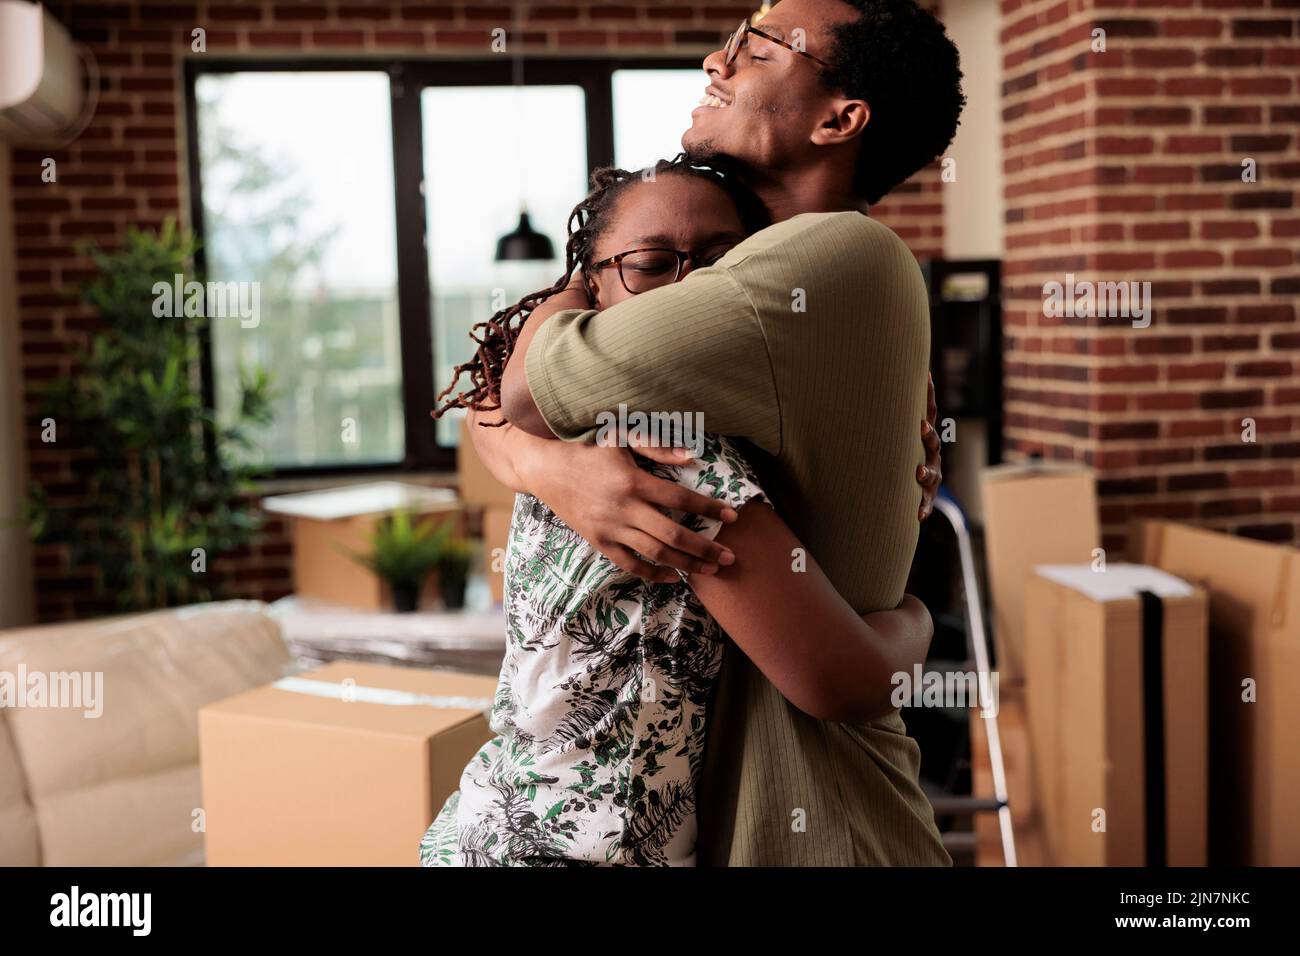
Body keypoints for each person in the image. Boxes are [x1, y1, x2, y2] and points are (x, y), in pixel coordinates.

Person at [491, 0, 966, 866]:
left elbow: (522, 384)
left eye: (756, 46)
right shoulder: (779, 276)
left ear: (841, 117)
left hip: (827, 822)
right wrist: (552, 470)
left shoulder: (831, 260)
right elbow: (499, 405)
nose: (717, 59)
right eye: (649, 264)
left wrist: (913, 626)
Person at [420, 157, 936, 866]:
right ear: (592, 288)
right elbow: (837, 681)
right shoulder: (670, 445)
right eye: (653, 264)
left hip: (490, 826)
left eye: (720, 264)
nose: (688, 289)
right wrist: (916, 614)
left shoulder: (562, 427)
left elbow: (495, 405)